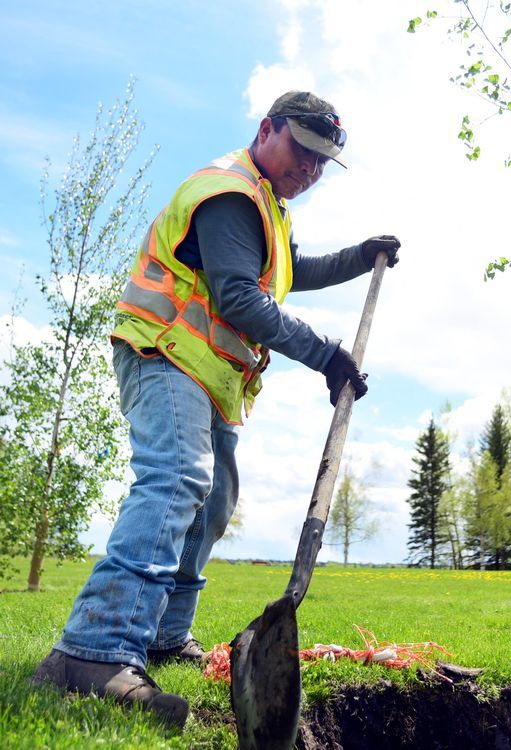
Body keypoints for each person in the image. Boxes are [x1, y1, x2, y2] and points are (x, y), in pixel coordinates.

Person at [30, 91, 400, 729]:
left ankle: (166, 635)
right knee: (177, 481)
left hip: (207, 376)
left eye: (321, 164)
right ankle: (92, 651)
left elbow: (288, 273)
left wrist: (357, 255)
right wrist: (326, 355)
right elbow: (236, 298)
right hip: (167, 351)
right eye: (302, 152)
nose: (308, 170)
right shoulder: (230, 193)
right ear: (267, 130)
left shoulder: (269, 211)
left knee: (212, 503)